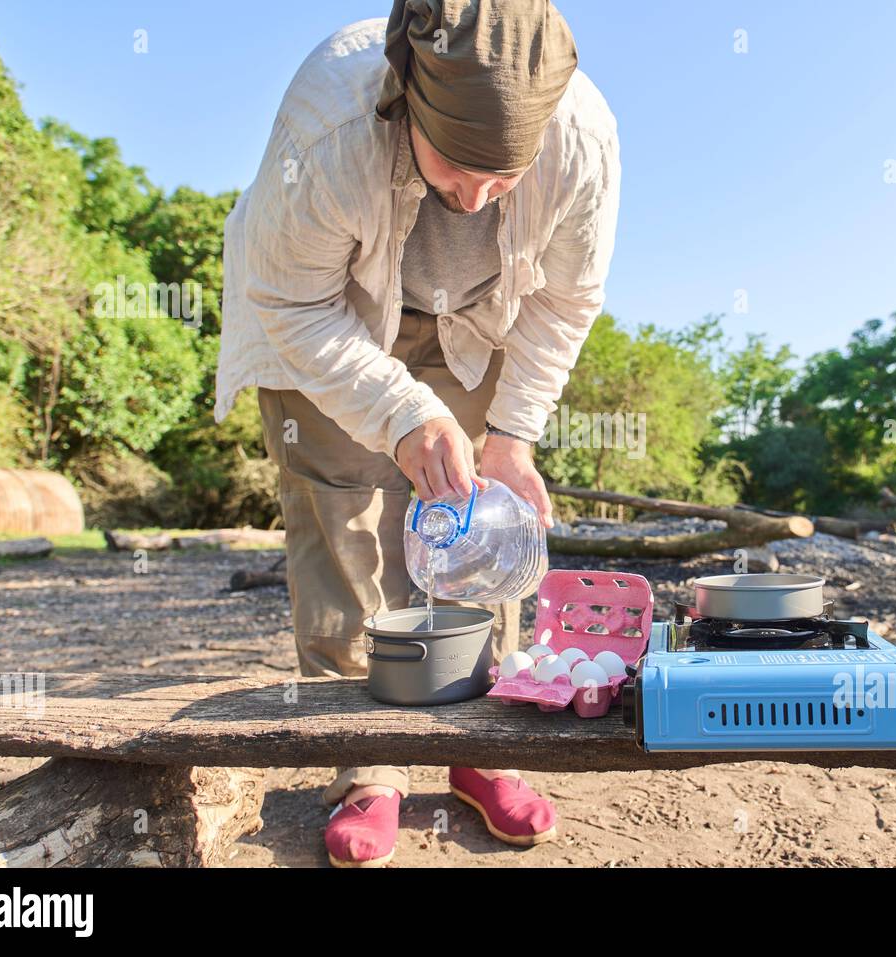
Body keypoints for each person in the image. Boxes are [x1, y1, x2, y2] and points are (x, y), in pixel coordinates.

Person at [215, 0, 620, 867]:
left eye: (502, 181)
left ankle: (483, 738)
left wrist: (514, 432)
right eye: (458, 168)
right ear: (408, 101)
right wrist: (400, 415)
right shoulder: (330, 119)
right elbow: (292, 303)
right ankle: (369, 763)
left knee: (485, 515)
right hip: (327, 310)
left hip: (478, 316)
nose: (475, 199)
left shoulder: (586, 140)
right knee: (344, 514)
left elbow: (564, 299)